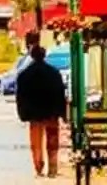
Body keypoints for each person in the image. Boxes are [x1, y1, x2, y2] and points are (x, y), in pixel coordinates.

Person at [15, 45, 67, 178]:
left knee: (36, 142)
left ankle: (38, 166)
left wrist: (22, 113)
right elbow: (60, 94)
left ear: (32, 56)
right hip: (51, 112)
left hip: (34, 113)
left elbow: (20, 96)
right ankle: (53, 167)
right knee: (53, 139)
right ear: (44, 56)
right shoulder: (54, 73)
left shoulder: (24, 74)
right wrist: (62, 113)